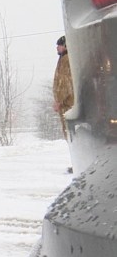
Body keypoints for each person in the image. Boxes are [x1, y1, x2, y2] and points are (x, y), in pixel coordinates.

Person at [52, 35, 74, 172]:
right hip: (67, 103)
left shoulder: (66, 60)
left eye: (59, 45)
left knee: (71, 133)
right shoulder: (64, 59)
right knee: (70, 133)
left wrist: (59, 100)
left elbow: (64, 82)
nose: (57, 47)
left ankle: (77, 162)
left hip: (68, 104)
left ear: (65, 46)